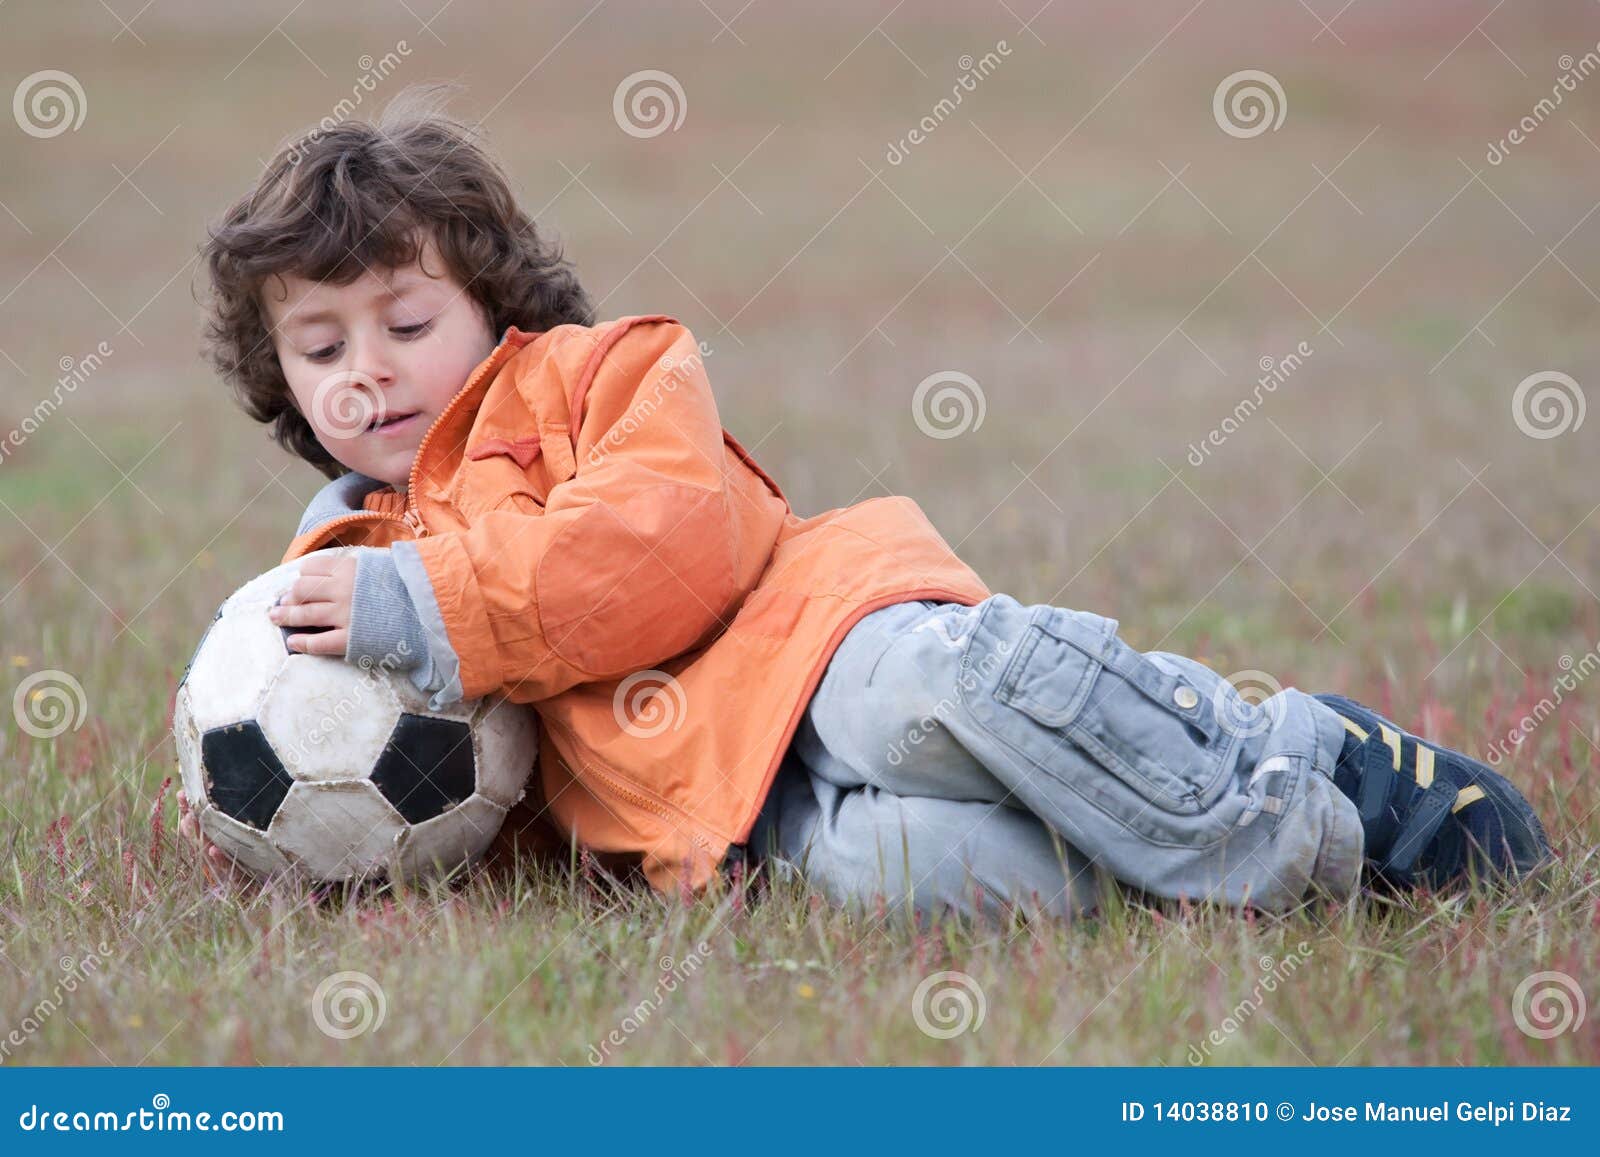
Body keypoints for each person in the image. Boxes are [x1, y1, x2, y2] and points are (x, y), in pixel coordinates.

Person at [184, 85, 1551, 922]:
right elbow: (464, 774)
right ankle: (1225, 848)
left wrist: (429, 601)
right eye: (320, 350)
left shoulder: (606, 373)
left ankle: (1331, 792)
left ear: (489, 297)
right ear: (281, 380)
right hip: (737, 818)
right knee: (936, 871)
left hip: (825, 639)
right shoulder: (351, 561)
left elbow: (659, 550)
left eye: (406, 322)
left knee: (946, 707)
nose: (366, 372)